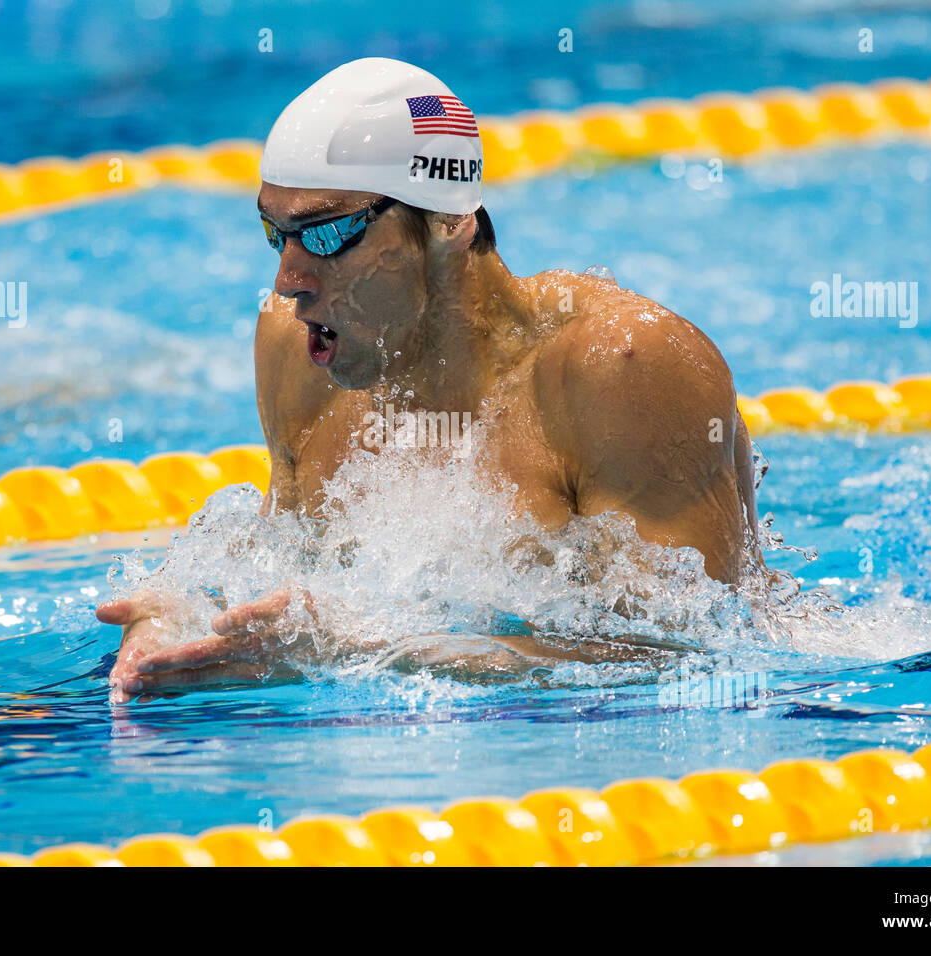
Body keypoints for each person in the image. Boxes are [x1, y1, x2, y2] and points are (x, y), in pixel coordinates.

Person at [97, 58, 761, 702]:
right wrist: (182, 611)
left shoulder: (619, 369)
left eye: (326, 236)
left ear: (447, 222)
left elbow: (686, 656)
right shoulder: (298, 348)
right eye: (277, 235)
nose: (288, 283)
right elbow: (287, 568)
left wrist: (376, 649)